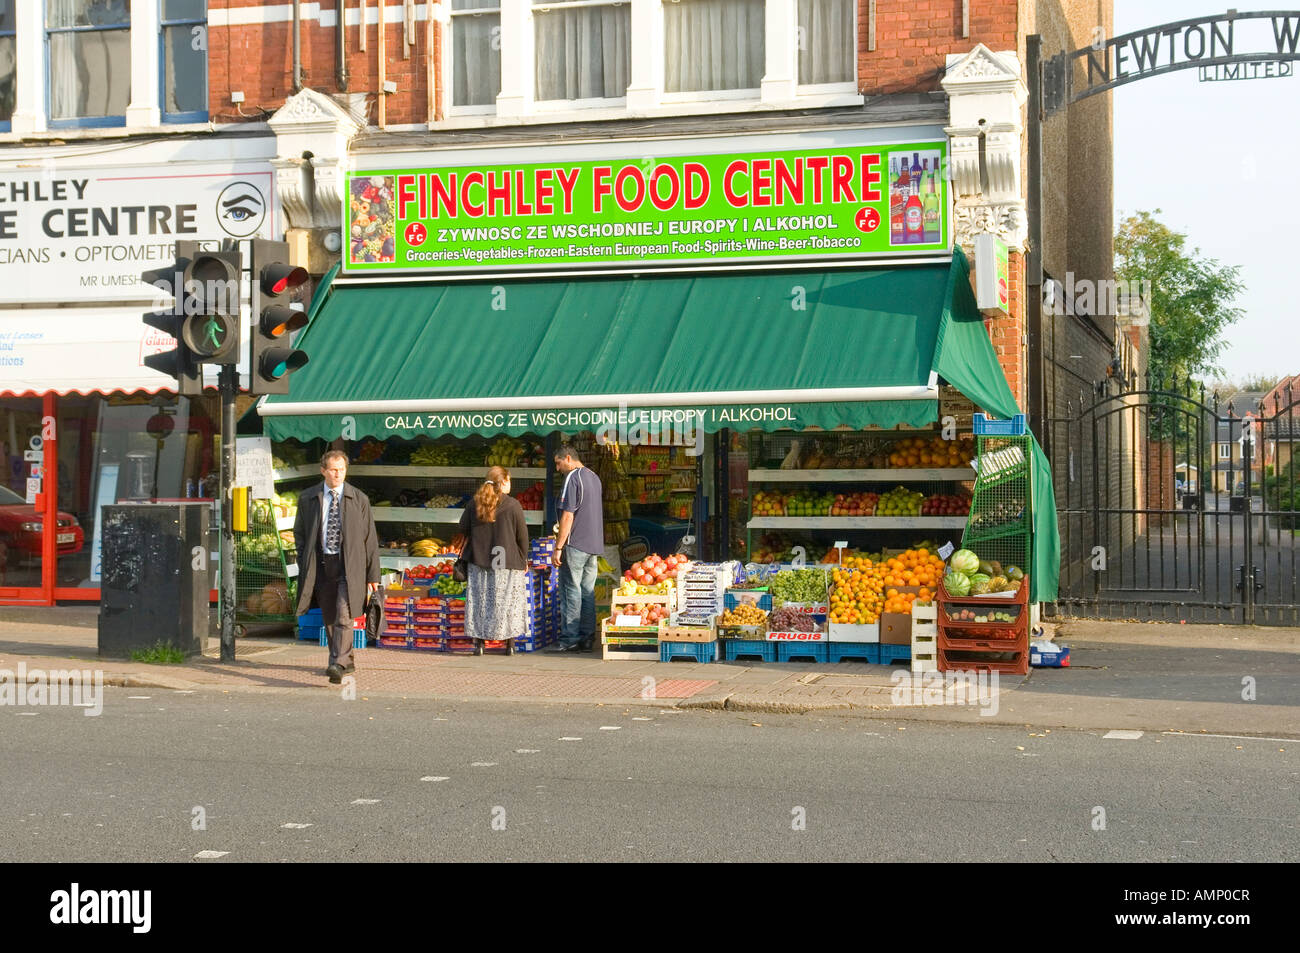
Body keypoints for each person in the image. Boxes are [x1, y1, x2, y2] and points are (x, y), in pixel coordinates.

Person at [294, 449, 380, 684]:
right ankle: (345, 659)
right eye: (333, 470)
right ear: (323, 471)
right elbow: (299, 533)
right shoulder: (308, 498)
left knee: (344, 614)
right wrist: (303, 559)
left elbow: (369, 538)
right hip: (321, 564)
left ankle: (337, 663)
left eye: (341, 470)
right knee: (330, 616)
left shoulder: (358, 499)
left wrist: (373, 574)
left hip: (349, 565)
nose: (338, 474)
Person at [457, 466, 530, 655]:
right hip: (507, 562)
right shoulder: (513, 505)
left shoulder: (475, 504)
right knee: (508, 603)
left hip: (479, 561)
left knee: (480, 602)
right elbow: (522, 536)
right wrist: (523, 559)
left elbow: (463, 527)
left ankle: (479, 644)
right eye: (509, 480)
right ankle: (510, 644)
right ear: (503, 481)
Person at [548, 444, 603, 653]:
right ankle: (587, 637)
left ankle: (569, 638)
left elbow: (568, 515)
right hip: (594, 544)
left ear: (568, 458)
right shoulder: (593, 476)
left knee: (571, 591)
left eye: (558, 463)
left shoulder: (572, 478)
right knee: (588, 592)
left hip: (576, 543)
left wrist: (558, 547)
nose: (558, 468)